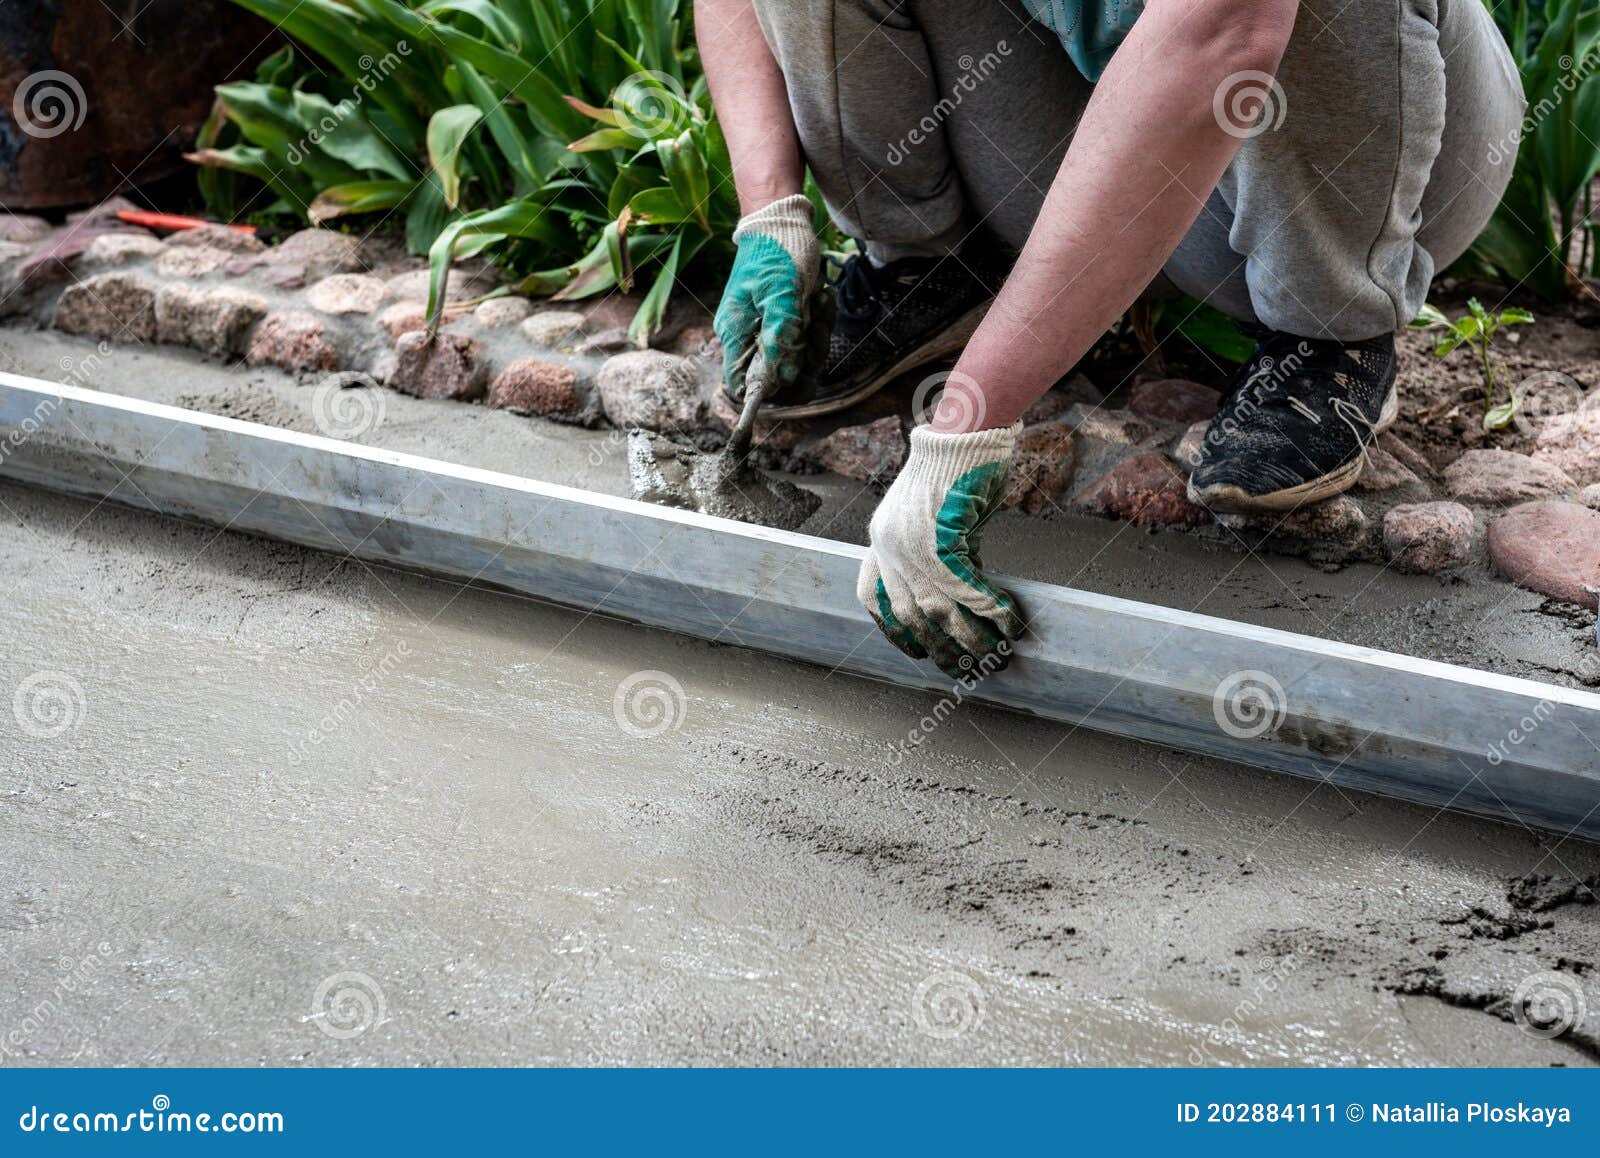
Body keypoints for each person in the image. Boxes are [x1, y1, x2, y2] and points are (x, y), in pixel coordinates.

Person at [698, 0, 1524, 678]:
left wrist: (968, 422)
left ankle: (1329, 330)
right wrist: (769, 209)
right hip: (1102, 144)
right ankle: (935, 268)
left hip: (1369, 160)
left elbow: (1225, 29)